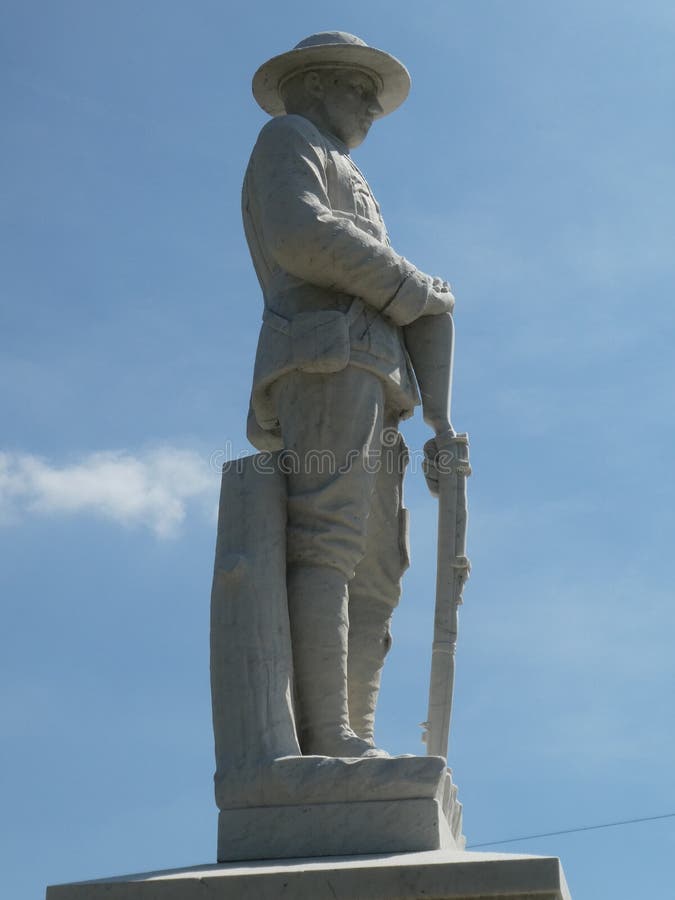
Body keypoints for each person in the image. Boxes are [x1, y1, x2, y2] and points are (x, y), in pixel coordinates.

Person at [242, 32, 454, 758]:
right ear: (310, 87)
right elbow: (300, 234)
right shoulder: (287, 136)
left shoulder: (344, 166)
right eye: (354, 86)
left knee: (377, 568)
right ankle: (322, 736)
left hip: (375, 378)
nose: (369, 104)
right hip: (324, 357)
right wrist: (406, 284)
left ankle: (354, 736)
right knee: (327, 540)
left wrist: (436, 416)